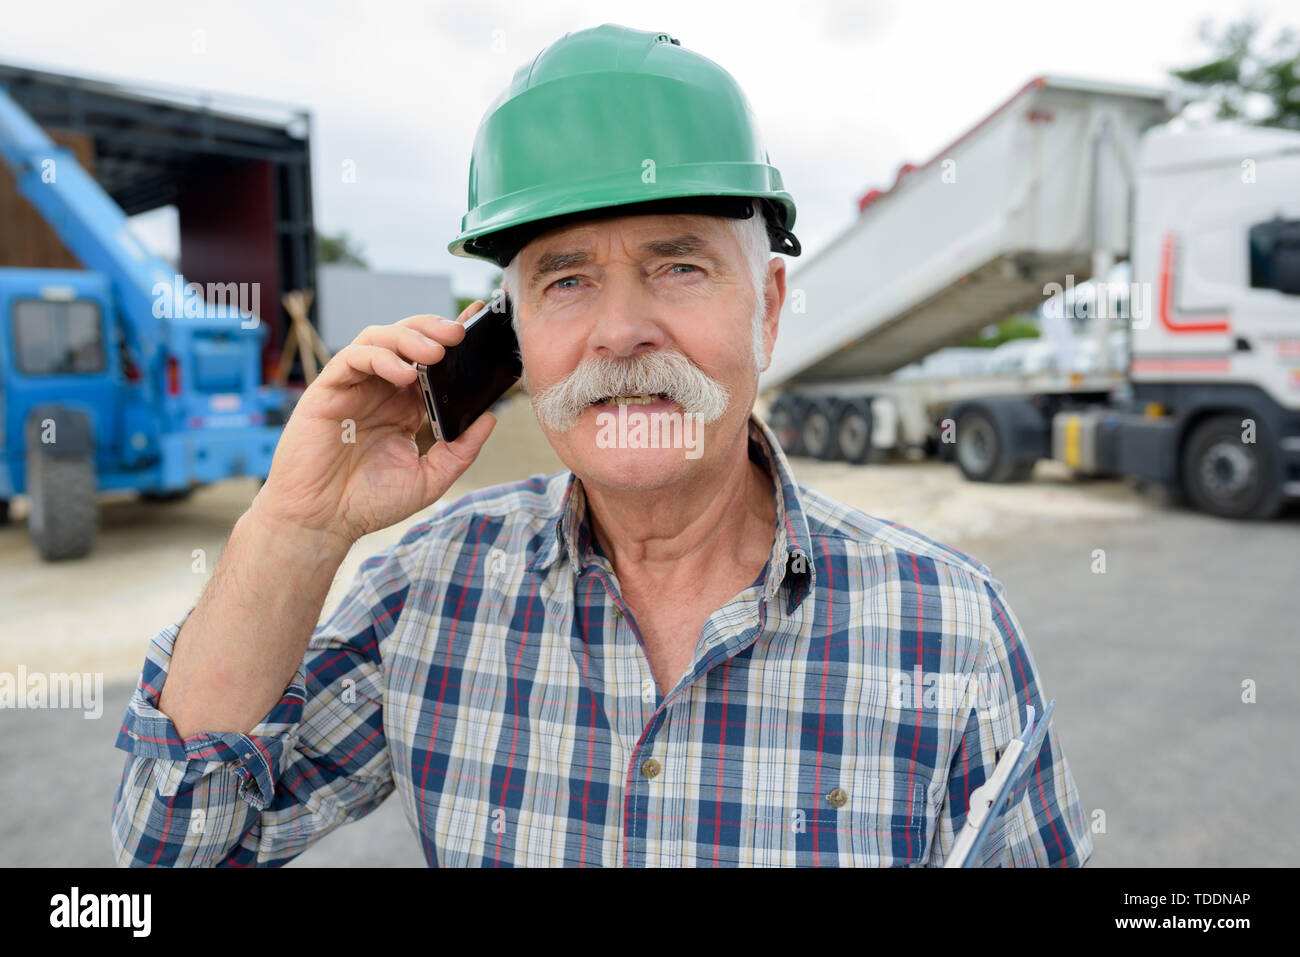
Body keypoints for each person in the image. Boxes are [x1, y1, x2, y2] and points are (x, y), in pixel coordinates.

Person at [111, 23, 1092, 867]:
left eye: (678, 264)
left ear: (769, 310)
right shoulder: (429, 592)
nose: (620, 332)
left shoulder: (944, 628)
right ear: (512, 340)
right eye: (565, 281)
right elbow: (178, 840)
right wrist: (298, 525)